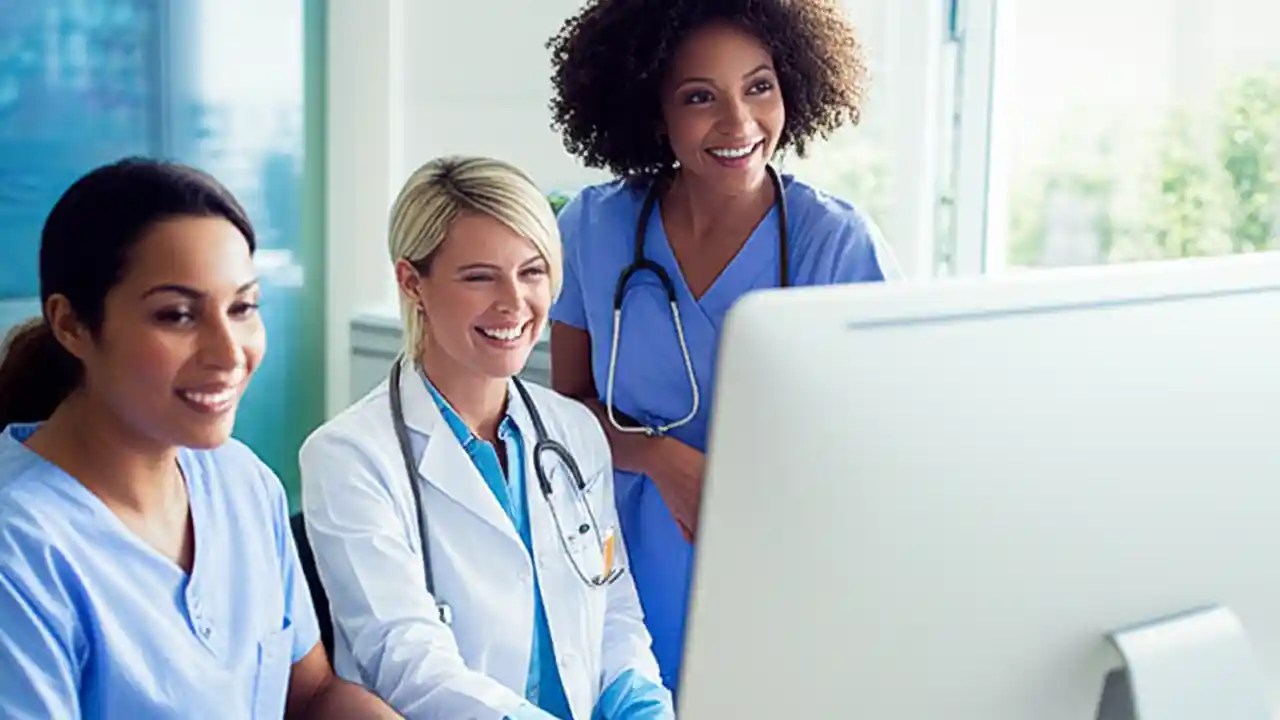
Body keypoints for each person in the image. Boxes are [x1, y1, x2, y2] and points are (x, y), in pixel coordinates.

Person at [546, 0, 892, 693]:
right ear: (653, 109)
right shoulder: (594, 226)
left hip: (774, 563)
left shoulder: (837, 244)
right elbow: (567, 410)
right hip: (619, 568)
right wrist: (659, 456)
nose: (739, 123)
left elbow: (879, 442)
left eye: (759, 86)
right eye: (699, 96)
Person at [0, 158, 399, 719]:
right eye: (178, 315)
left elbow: (309, 696)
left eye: (242, 308)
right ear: (72, 325)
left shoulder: (243, 483)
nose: (229, 352)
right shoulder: (21, 550)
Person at [298, 156, 672, 719]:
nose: (513, 303)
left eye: (532, 271)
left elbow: (612, 605)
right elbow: (404, 660)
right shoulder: (348, 457)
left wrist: (640, 705)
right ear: (411, 282)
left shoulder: (572, 432)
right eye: (479, 276)